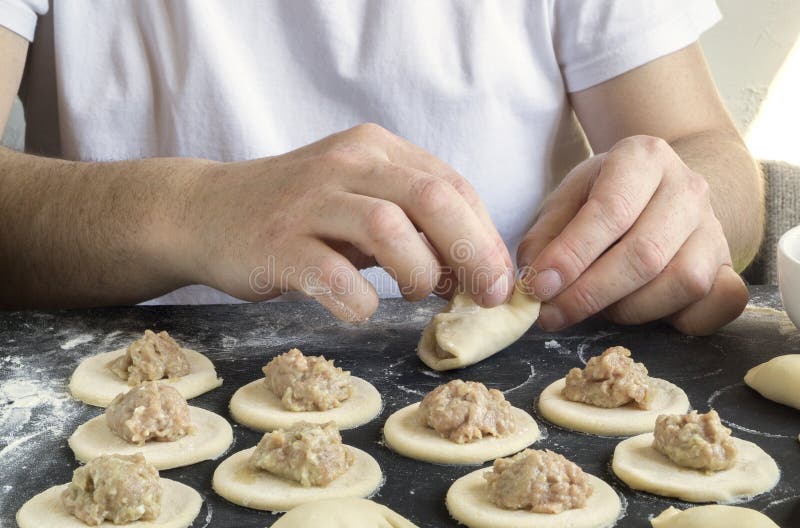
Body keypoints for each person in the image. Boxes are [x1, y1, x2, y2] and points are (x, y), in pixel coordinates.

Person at [0, 1, 762, 335]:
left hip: (526, 393)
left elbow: (705, 150)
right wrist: (192, 208)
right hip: (121, 398)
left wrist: (673, 215)